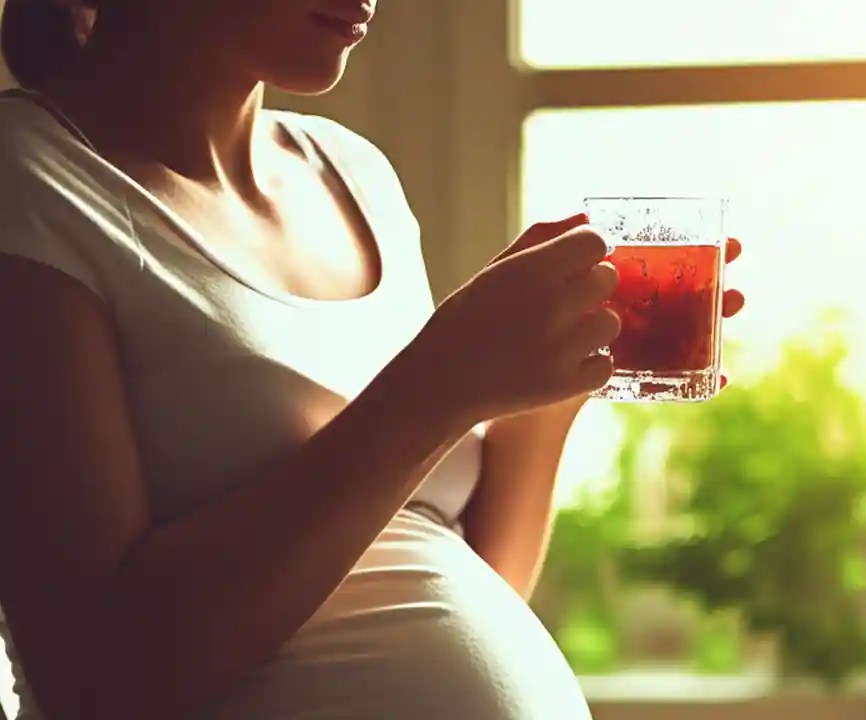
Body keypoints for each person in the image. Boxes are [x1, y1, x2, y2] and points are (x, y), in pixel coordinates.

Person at [0, 1, 746, 718]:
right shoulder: (28, 178)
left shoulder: (353, 176)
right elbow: (99, 682)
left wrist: (546, 386)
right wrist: (442, 382)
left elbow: (446, 579)